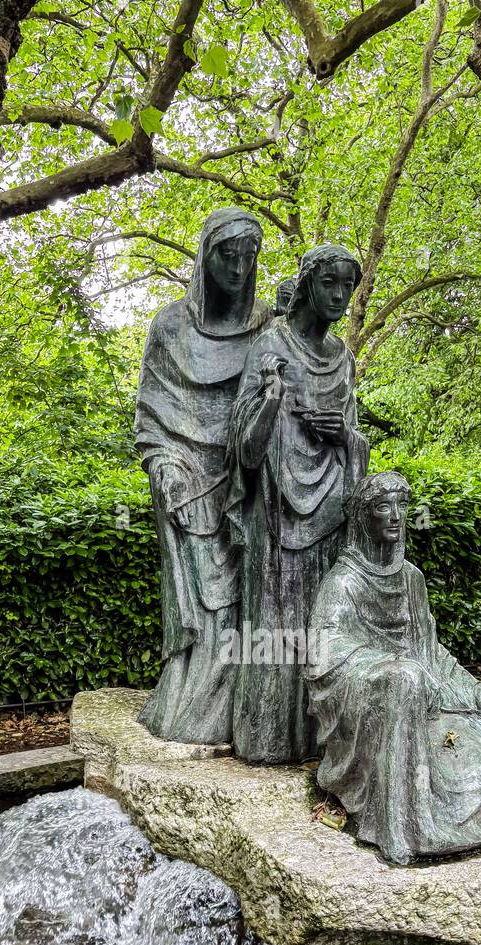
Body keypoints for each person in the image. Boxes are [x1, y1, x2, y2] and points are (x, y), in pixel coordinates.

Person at [305, 472, 481, 865]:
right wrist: (392, 666)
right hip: (377, 702)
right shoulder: (344, 581)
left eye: (402, 507)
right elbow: (324, 648)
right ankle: (404, 828)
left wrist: (474, 688)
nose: (395, 516)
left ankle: (441, 821)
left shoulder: (412, 579)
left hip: (427, 705)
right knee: (403, 680)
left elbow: (432, 651)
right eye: (382, 507)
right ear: (363, 517)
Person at [225, 244, 368, 763]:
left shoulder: (343, 358)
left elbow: (355, 440)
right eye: (329, 284)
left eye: (346, 289)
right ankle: (268, 738)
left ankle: (322, 740)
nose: (337, 297)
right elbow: (244, 446)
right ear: (307, 283)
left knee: (324, 622)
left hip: (329, 506)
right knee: (277, 626)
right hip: (276, 509)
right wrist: (271, 401)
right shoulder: (270, 346)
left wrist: (343, 434)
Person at [135, 208, 271, 744]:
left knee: (252, 599)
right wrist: (166, 468)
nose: (238, 267)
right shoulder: (169, 327)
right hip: (188, 480)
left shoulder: (267, 329)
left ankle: (255, 709)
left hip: (249, 483)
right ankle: (195, 704)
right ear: (205, 258)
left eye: (249, 255)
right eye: (227, 254)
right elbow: (151, 421)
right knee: (210, 605)